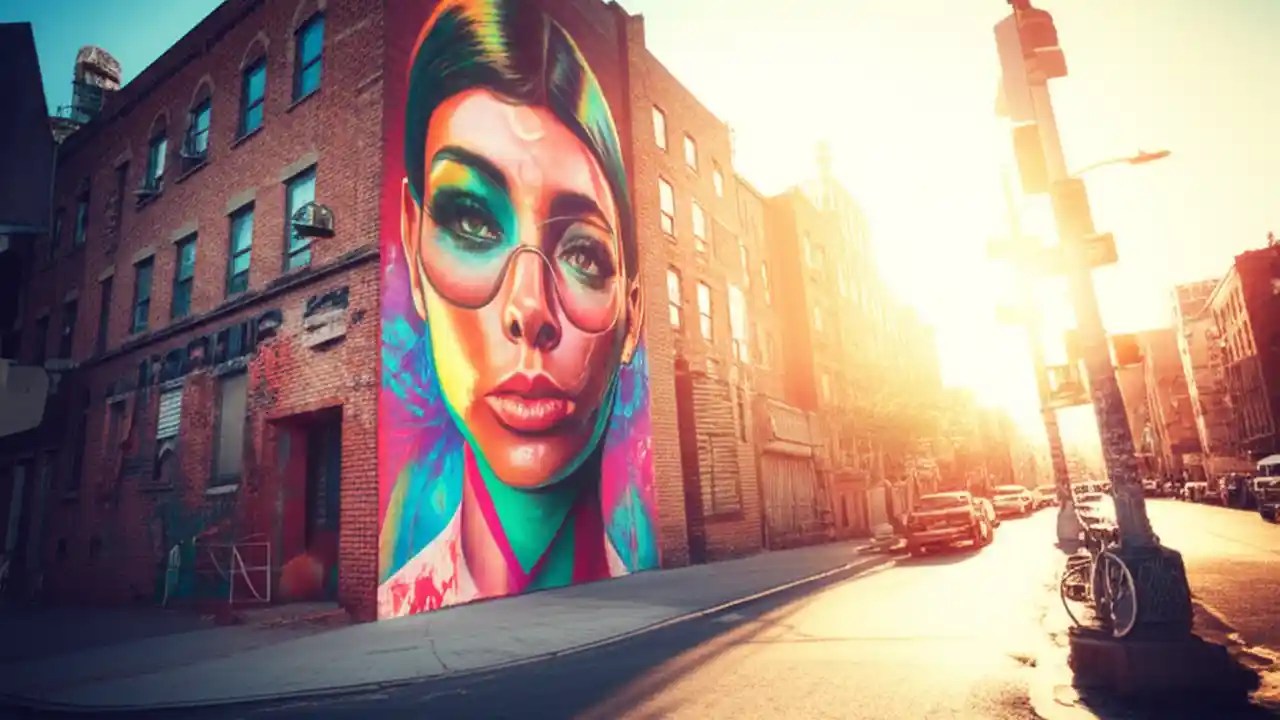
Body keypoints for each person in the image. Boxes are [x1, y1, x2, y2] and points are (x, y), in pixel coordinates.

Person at [377, 0, 653, 618]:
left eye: (584, 255)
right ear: (411, 241)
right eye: (472, 220)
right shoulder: (401, 595)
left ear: (632, 316)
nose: (530, 309)